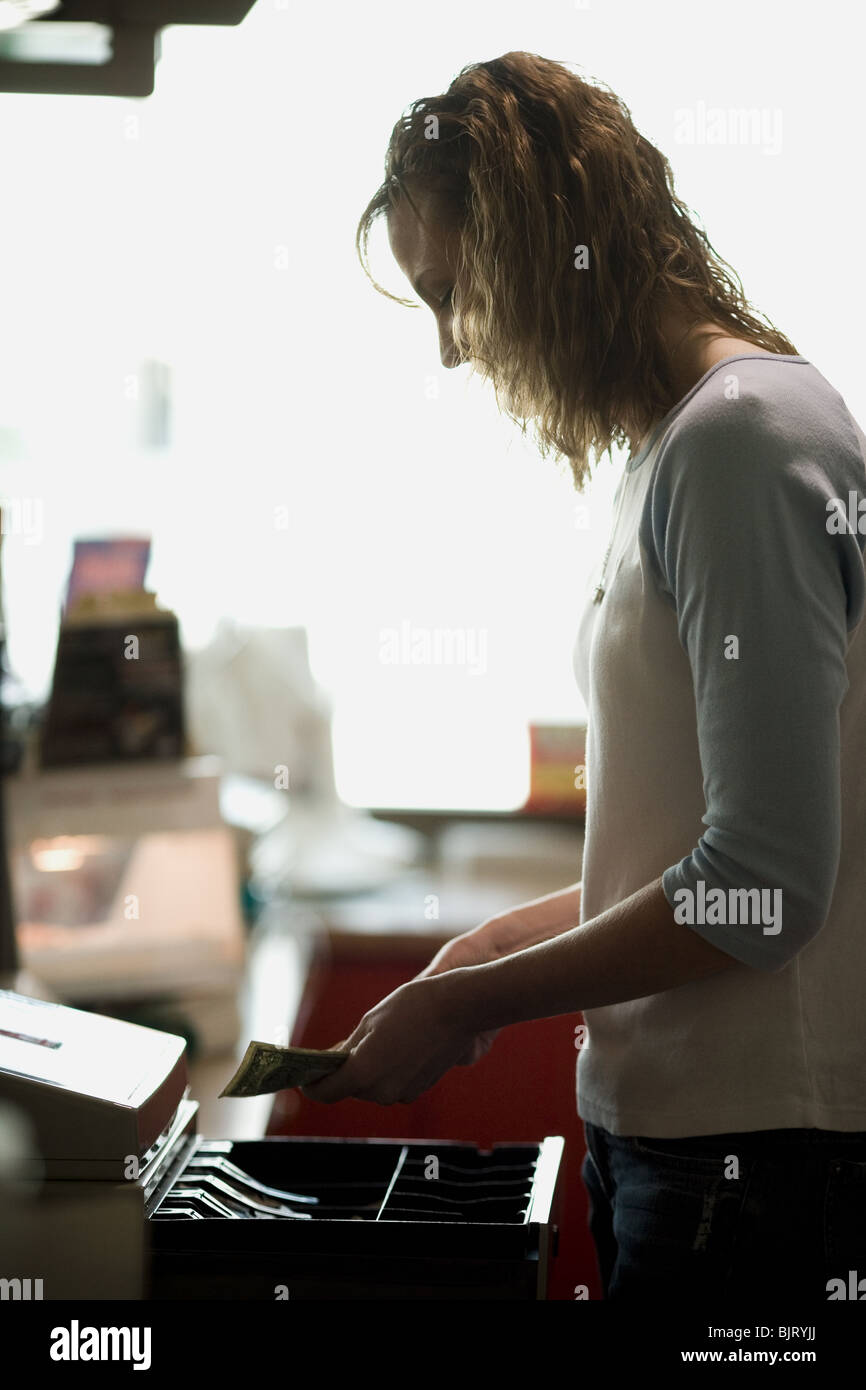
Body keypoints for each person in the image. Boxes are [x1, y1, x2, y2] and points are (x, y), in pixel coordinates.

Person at [304, 52, 866, 1304]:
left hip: (754, 1164)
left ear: (543, 247)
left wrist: (465, 1009)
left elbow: (765, 887)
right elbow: (695, 845)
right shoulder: (683, 447)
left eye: (454, 296)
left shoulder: (739, 444)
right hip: (687, 1143)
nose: (453, 352)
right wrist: (491, 950)